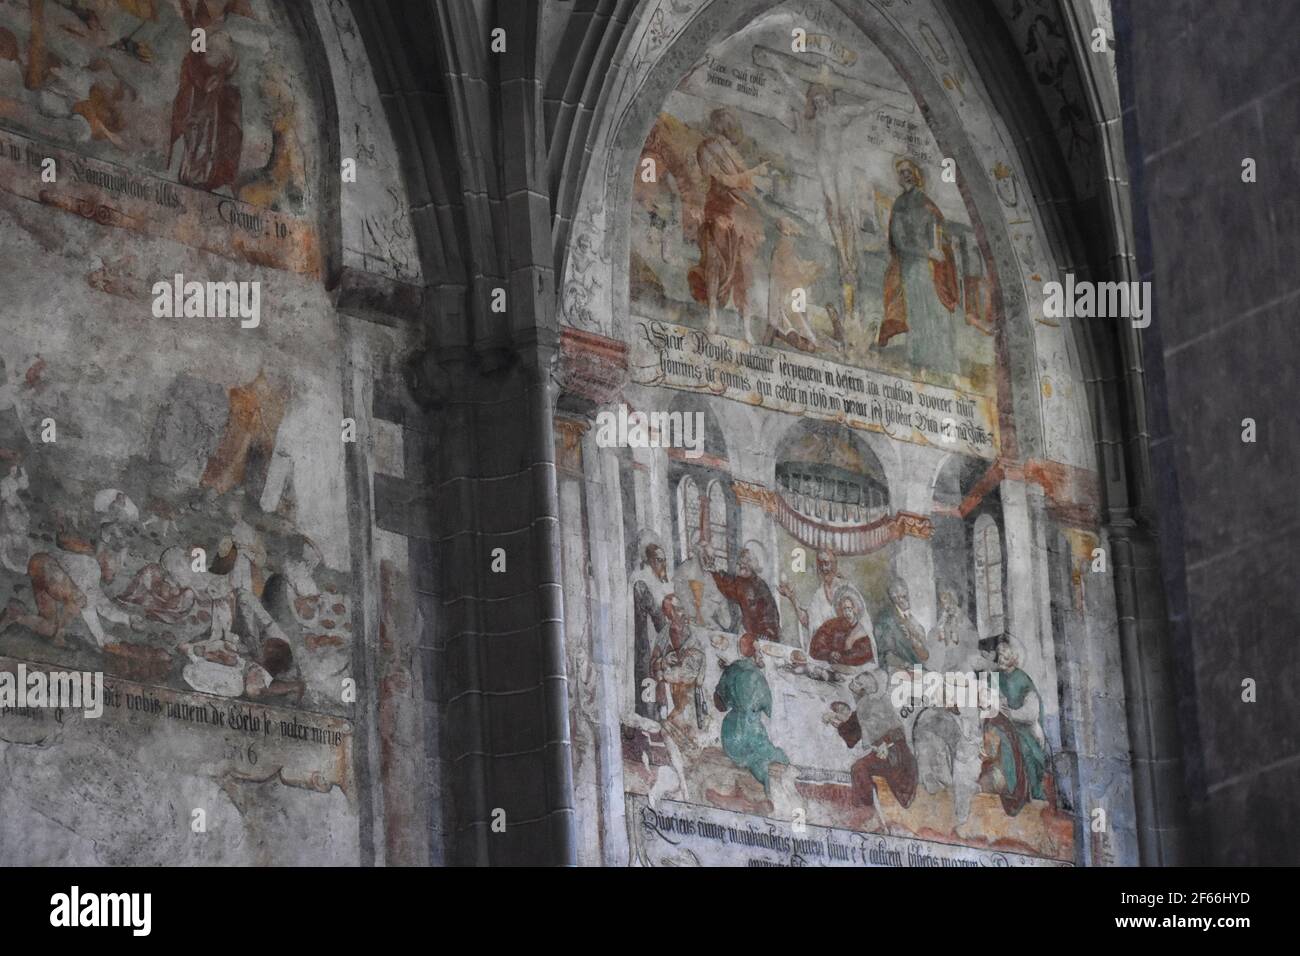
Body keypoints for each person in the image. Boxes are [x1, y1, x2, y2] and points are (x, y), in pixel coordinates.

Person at [687, 108, 770, 340]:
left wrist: (762, 194)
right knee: (714, 260)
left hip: (741, 213)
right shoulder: (707, 148)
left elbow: (748, 187)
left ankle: (745, 326)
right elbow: (725, 180)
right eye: (727, 124)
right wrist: (754, 173)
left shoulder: (732, 152)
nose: (730, 129)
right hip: (719, 208)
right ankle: (713, 315)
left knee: (744, 269)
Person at [876, 157, 961, 375]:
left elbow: (941, 234)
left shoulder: (927, 203)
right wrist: (926, 252)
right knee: (919, 312)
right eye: (901, 172)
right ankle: (920, 359)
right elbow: (899, 240)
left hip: (934, 268)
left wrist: (943, 247)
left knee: (937, 313)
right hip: (913, 266)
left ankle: (943, 362)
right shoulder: (900, 204)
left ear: (916, 174)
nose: (905, 175)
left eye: (908, 171)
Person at [980, 641, 1049, 816]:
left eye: (1006, 655)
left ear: (1015, 657)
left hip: (1020, 727)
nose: (1001, 659)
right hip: (994, 723)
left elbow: (1031, 713)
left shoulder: (1023, 679)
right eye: (1000, 655)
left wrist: (1010, 713)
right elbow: (985, 702)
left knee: (1024, 749)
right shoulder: (994, 677)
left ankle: (1019, 789)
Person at [713, 635, 788, 792]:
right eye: (758, 652)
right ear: (753, 654)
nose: (761, 656)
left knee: (765, 757)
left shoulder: (732, 668)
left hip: (729, 734)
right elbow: (768, 709)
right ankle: (774, 791)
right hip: (749, 734)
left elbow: (720, 705)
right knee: (778, 758)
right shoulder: (756, 676)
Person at [703, 543, 781, 645]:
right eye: (740, 562)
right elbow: (730, 588)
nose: (741, 565)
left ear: (752, 565)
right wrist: (716, 573)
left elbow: (770, 613)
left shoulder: (758, 585)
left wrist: (768, 632)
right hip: (749, 630)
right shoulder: (741, 581)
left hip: (762, 634)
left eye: (745, 562)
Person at [630, 540, 673, 718]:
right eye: (659, 560)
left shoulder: (657, 582)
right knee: (648, 678)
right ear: (649, 561)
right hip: (645, 640)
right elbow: (657, 616)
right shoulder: (641, 581)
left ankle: (659, 715)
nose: (663, 564)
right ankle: (648, 718)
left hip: (656, 640)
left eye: (664, 560)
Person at [650, 594, 706, 727]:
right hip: (675, 686)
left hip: (694, 682)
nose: (680, 613)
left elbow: (701, 655)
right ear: (668, 614)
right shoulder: (664, 635)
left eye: (679, 608)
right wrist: (664, 661)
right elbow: (652, 665)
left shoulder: (691, 630)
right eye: (673, 610)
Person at [808, 589, 877, 667]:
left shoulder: (863, 630)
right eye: (844, 609)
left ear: (856, 609)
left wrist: (849, 642)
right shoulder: (831, 624)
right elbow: (816, 645)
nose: (847, 612)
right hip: (829, 666)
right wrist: (829, 654)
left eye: (849, 608)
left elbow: (865, 654)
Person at [874, 578, 930, 669]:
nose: (905, 600)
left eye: (905, 595)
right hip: (899, 671)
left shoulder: (912, 620)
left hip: (918, 670)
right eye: (900, 597)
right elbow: (886, 655)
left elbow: (925, 655)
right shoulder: (886, 620)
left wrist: (915, 642)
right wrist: (906, 666)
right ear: (894, 597)